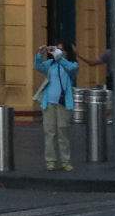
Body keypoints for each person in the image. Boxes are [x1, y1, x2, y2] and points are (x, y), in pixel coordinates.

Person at [33, 41, 80, 172]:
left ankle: (65, 161)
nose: (58, 52)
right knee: (50, 132)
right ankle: (51, 161)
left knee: (63, 132)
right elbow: (38, 66)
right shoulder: (50, 64)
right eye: (57, 49)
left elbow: (72, 70)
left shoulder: (71, 65)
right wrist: (40, 54)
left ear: (67, 52)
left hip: (63, 103)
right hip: (49, 103)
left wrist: (60, 58)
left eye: (61, 50)